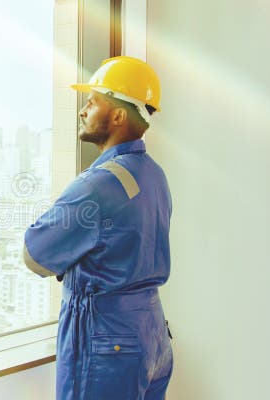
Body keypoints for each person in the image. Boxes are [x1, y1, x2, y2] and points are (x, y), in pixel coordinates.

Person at [23, 56, 174, 399]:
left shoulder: (97, 186)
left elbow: (34, 255)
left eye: (92, 103)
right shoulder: (154, 175)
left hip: (108, 343)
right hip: (151, 333)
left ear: (119, 116)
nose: (82, 110)